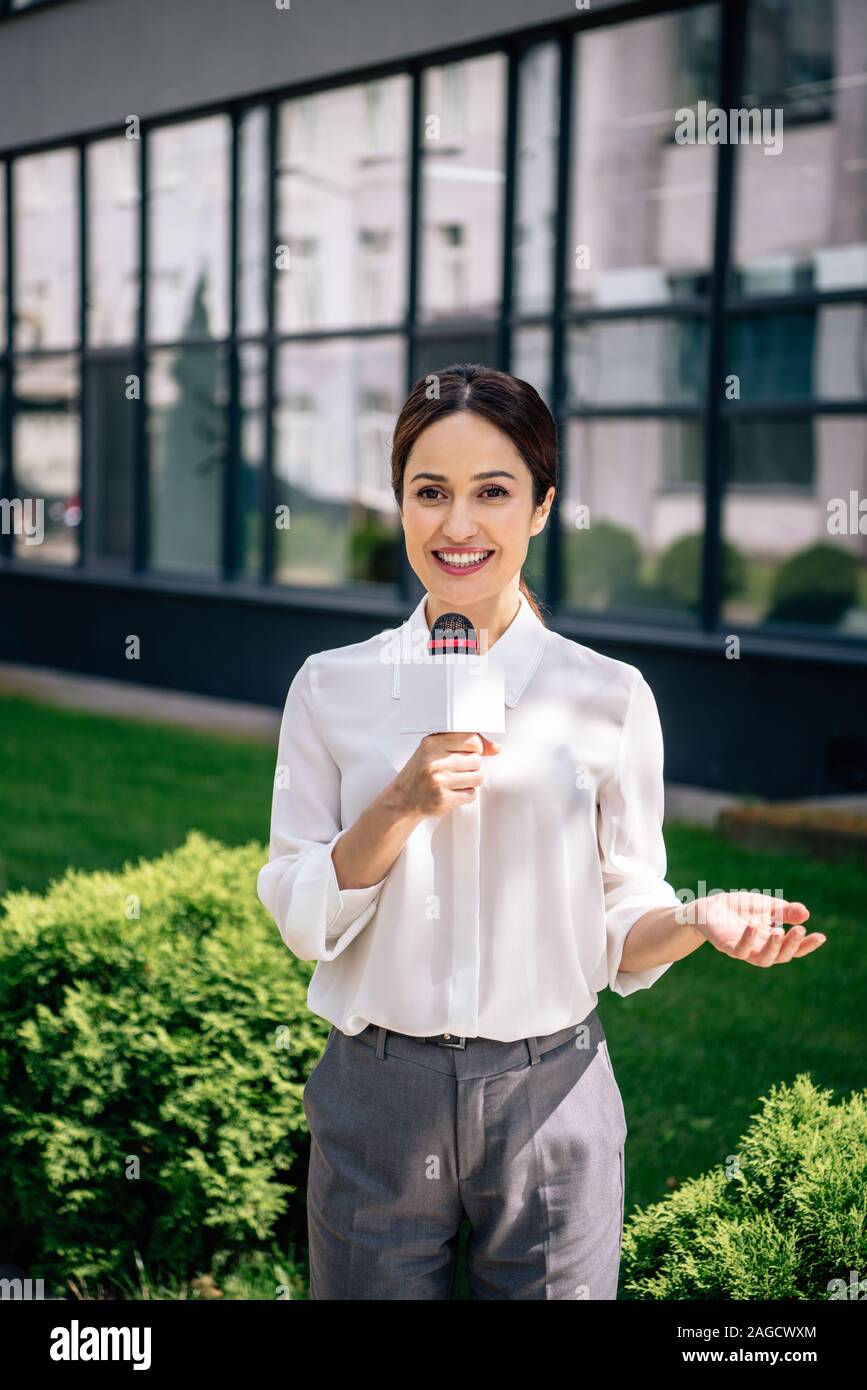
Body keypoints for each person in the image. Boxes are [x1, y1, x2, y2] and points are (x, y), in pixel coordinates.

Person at [256, 363, 824, 1301]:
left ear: (542, 505)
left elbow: (624, 912)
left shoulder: (607, 696)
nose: (457, 525)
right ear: (397, 502)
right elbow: (300, 913)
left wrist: (695, 919)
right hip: (376, 1097)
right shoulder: (330, 686)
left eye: (493, 492)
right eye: (428, 492)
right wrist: (399, 803)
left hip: (550, 1097)